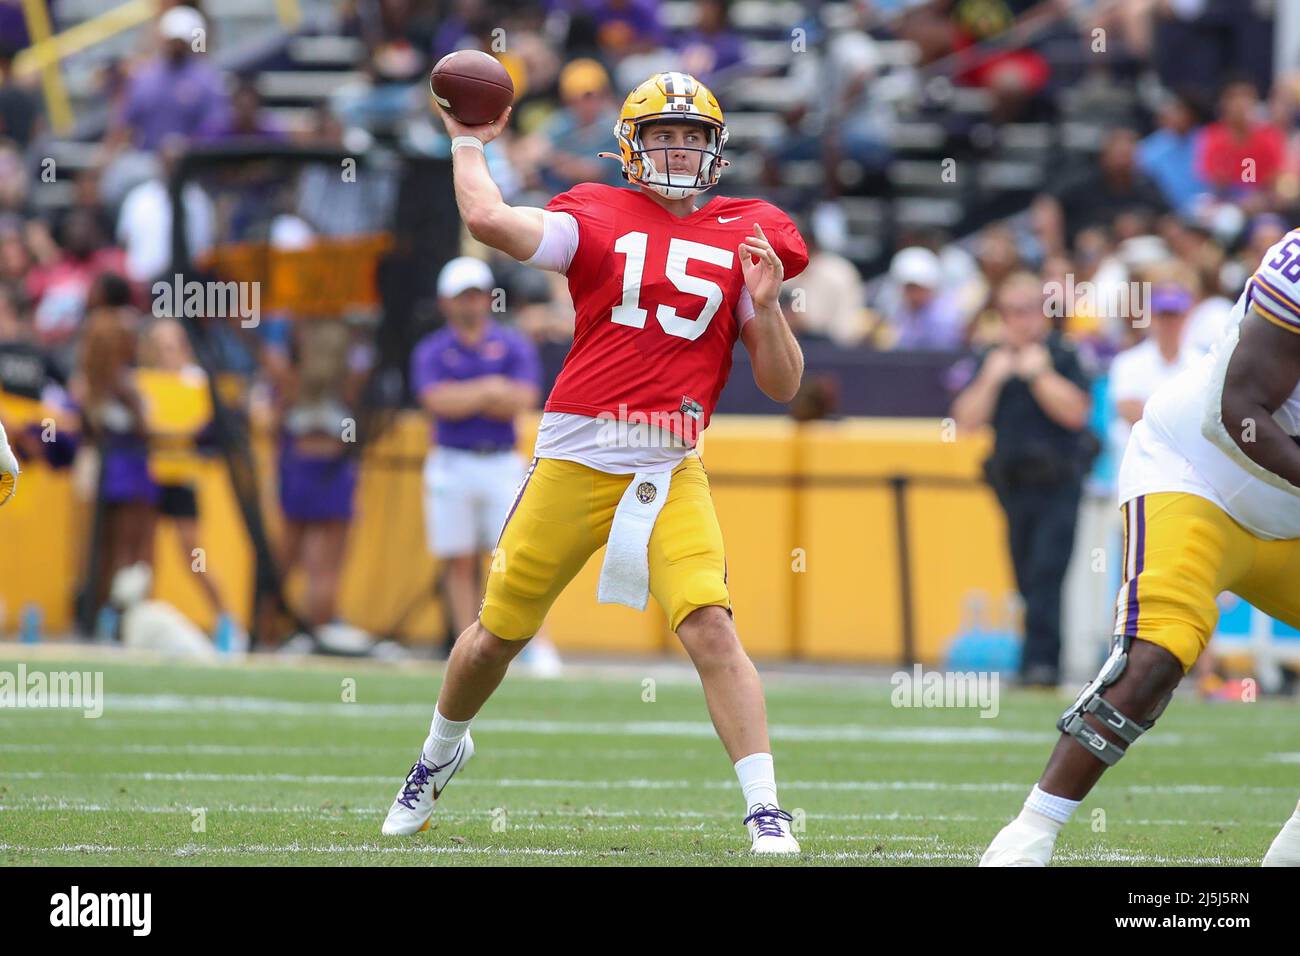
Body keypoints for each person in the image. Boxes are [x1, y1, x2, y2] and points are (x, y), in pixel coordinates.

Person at [381, 71, 809, 853]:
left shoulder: (751, 232)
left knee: (711, 627)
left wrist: (771, 306)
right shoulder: (596, 213)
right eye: (663, 135)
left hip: (670, 465)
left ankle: (765, 806)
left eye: (692, 135)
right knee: (494, 638)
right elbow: (487, 220)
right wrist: (469, 141)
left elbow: (783, 384)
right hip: (576, 457)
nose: (678, 149)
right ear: (630, 146)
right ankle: (438, 754)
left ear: (717, 147)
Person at [981, 227, 1300, 867]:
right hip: (1201, 470)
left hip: (1289, 506)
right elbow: (1236, 408)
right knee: (1157, 654)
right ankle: (1029, 836)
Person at [410, 257, 560, 674]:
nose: (471, 304)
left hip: (498, 461)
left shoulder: (512, 344)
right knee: (458, 559)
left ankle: (536, 643)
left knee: (512, 556)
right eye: (463, 296)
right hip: (452, 461)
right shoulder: (433, 349)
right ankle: (467, 646)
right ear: (446, 302)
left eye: (476, 295)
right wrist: (489, 389)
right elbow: (437, 403)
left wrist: (468, 397)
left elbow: (523, 398)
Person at [951, 272, 1094, 687]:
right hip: (1012, 485)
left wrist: (1038, 375)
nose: (1021, 320)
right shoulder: (991, 358)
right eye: (1012, 311)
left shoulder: (1062, 355)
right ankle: (1033, 658)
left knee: (1049, 571)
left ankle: (1043, 663)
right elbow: (966, 419)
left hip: (1059, 482)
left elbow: (1076, 412)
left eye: (1028, 310)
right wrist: (992, 377)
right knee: (1023, 572)